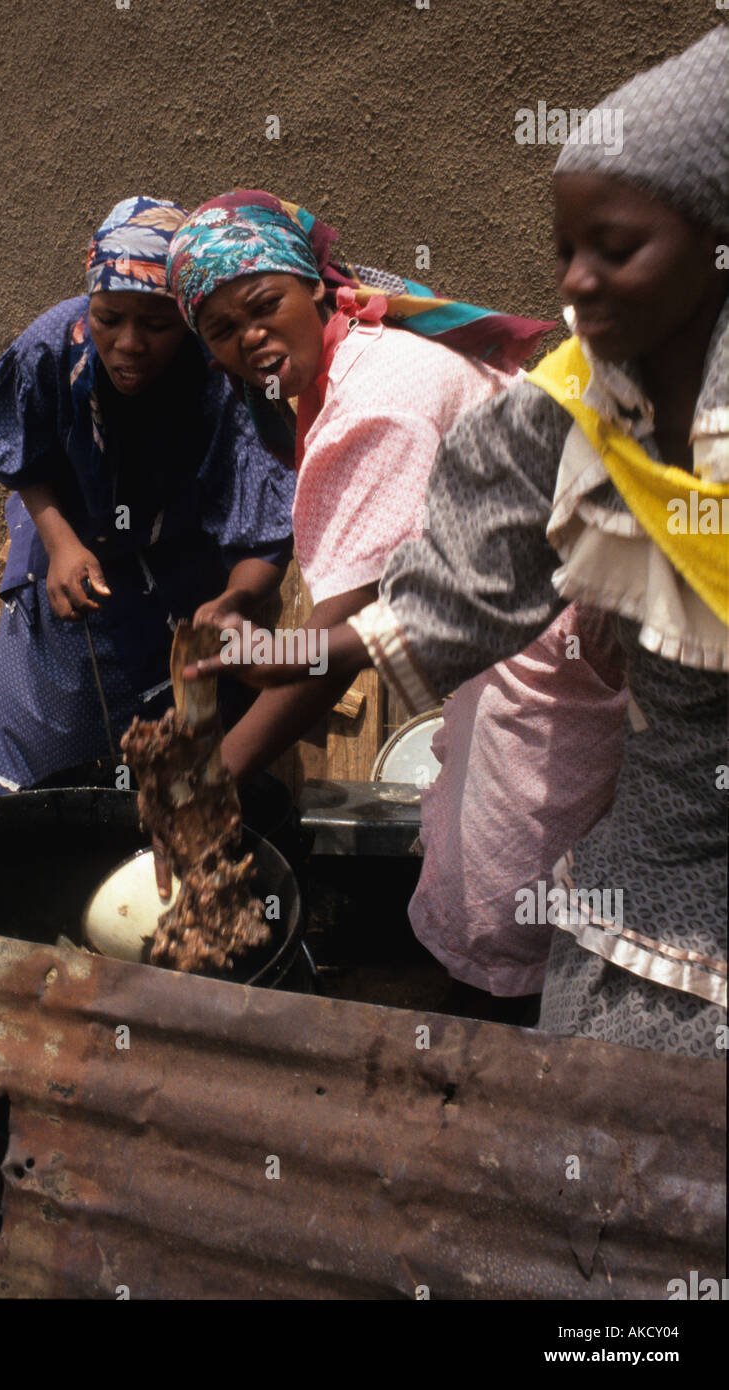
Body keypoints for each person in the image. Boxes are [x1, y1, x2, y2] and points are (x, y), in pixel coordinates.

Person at [191, 29, 729, 1056]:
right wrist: (279, 653)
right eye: (566, 250)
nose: (578, 282)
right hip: (657, 836)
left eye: (615, 249)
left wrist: (225, 764)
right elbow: (449, 602)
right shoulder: (578, 401)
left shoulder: (380, 398)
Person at [165, 191, 628, 995]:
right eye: (221, 330)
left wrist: (208, 790)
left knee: (510, 889)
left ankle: (520, 1047)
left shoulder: (379, 401)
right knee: (494, 844)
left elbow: (334, 655)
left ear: (313, 286)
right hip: (507, 622)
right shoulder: (355, 353)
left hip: (552, 640)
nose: (249, 338)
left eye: (263, 305)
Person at [0, 196, 294, 798]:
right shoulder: (51, 346)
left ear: (188, 319)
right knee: (44, 756)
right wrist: (61, 544)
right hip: (64, 560)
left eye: (156, 324)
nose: (129, 343)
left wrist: (235, 600)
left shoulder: (218, 377)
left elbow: (264, 522)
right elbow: (21, 453)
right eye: (109, 318)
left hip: (177, 582)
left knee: (175, 756)